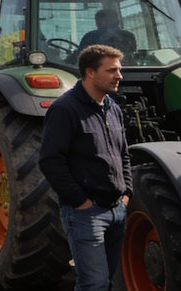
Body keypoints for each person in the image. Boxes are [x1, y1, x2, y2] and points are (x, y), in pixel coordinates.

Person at [39, 44, 131, 291]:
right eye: (112, 70)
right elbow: (50, 161)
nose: (119, 76)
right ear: (90, 72)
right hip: (86, 213)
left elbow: (123, 153)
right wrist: (80, 200)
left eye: (119, 70)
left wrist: (126, 193)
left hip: (117, 210)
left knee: (108, 282)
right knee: (94, 284)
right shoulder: (64, 109)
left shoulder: (113, 108)